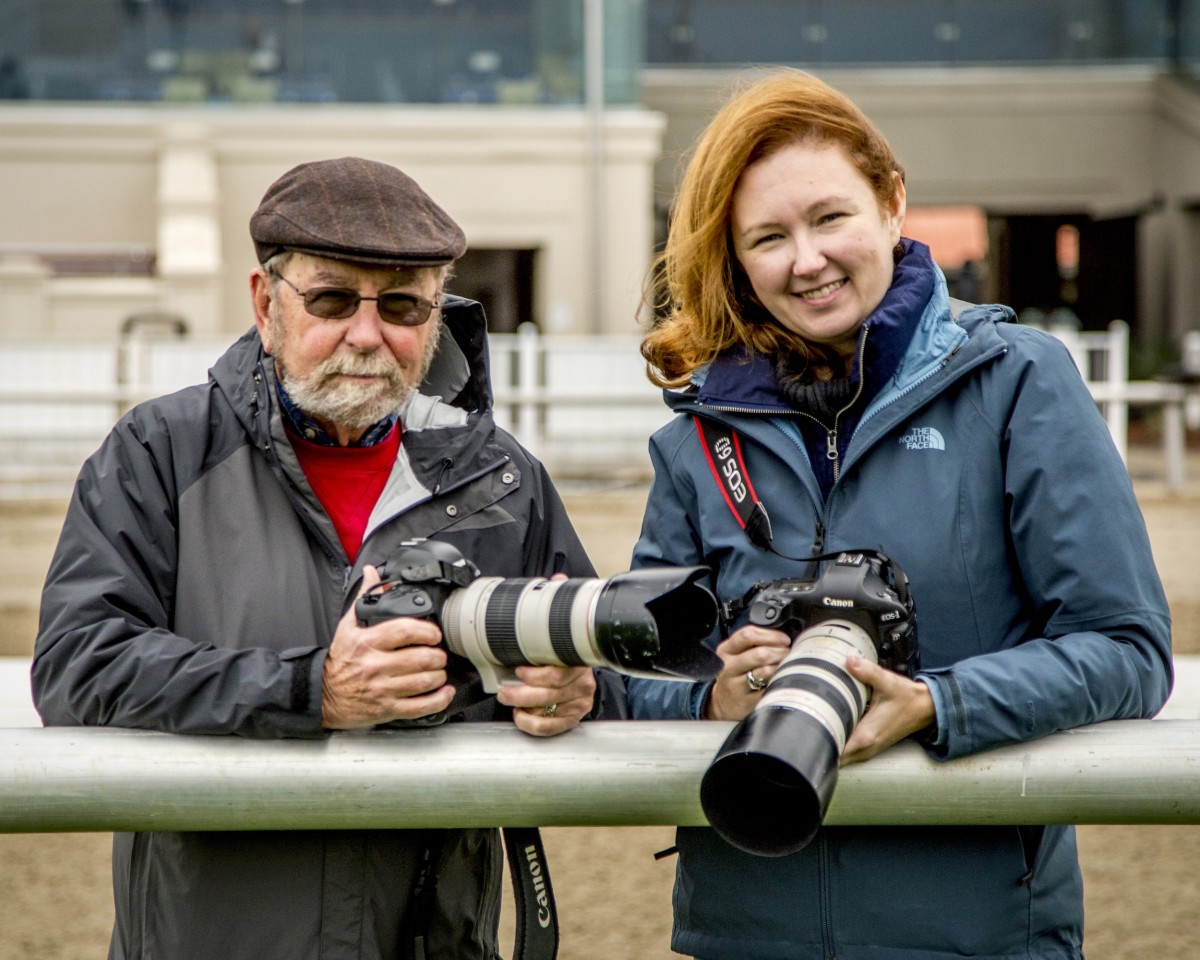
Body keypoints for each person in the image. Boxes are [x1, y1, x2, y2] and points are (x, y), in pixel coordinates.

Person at [625, 69, 1172, 960]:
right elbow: (632, 672)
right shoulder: (696, 438)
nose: (806, 260)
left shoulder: (1017, 382)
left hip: (975, 929)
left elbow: (1128, 649)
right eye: (768, 236)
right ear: (733, 257)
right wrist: (712, 694)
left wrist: (938, 703)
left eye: (829, 217)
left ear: (891, 202)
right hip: (746, 927)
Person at [32, 156, 621, 960]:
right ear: (263, 303)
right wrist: (316, 692)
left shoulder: (503, 478)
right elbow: (79, 664)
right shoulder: (159, 454)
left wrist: (571, 687)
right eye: (333, 298)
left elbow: (601, 661)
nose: (368, 334)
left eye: (405, 305)